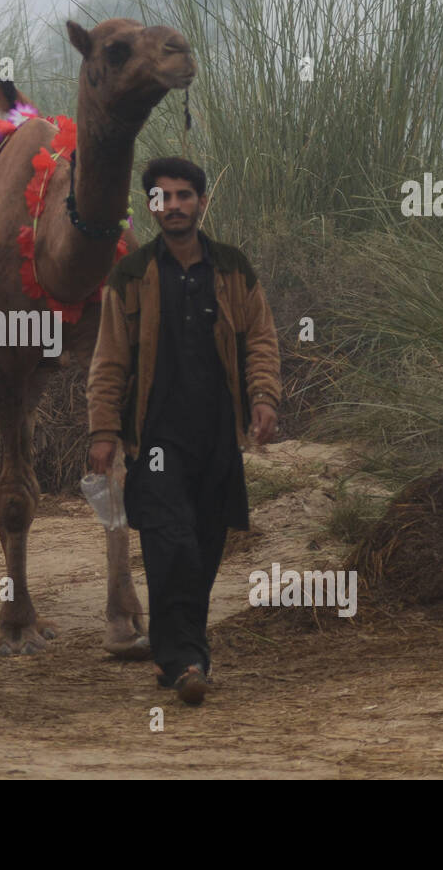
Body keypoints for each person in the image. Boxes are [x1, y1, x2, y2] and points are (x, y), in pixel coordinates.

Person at [87, 156, 281, 705]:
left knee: (204, 547)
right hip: (156, 439)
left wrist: (264, 397)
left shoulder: (233, 268)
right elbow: (108, 362)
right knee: (172, 544)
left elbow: (261, 339)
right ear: (150, 206)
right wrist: (103, 430)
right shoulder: (131, 275)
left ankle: (178, 651)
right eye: (161, 197)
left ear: (201, 202)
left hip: (218, 434)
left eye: (183, 195)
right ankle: (186, 661)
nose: (172, 205)